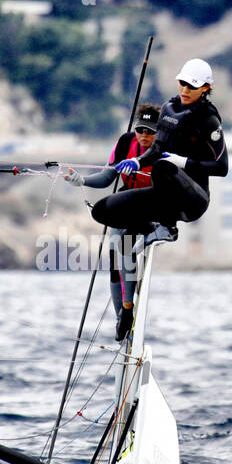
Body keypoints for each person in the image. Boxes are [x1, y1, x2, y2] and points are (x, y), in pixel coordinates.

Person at [82, 58, 229, 340]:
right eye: (182, 83)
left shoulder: (209, 119)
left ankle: (168, 228)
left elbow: (221, 168)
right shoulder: (170, 111)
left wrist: (182, 161)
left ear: (206, 88)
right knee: (104, 213)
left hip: (192, 198)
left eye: (193, 86)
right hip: (162, 193)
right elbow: (154, 151)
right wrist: (137, 162)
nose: (185, 89)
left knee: (164, 167)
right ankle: (125, 312)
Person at [64, 104, 160, 340]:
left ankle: (128, 309)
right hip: (129, 198)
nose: (144, 136)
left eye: (150, 131)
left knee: (126, 246)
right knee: (115, 255)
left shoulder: (163, 148)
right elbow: (107, 177)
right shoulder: (126, 143)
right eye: (141, 130)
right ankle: (122, 319)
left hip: (156, 205)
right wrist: (81, 180)